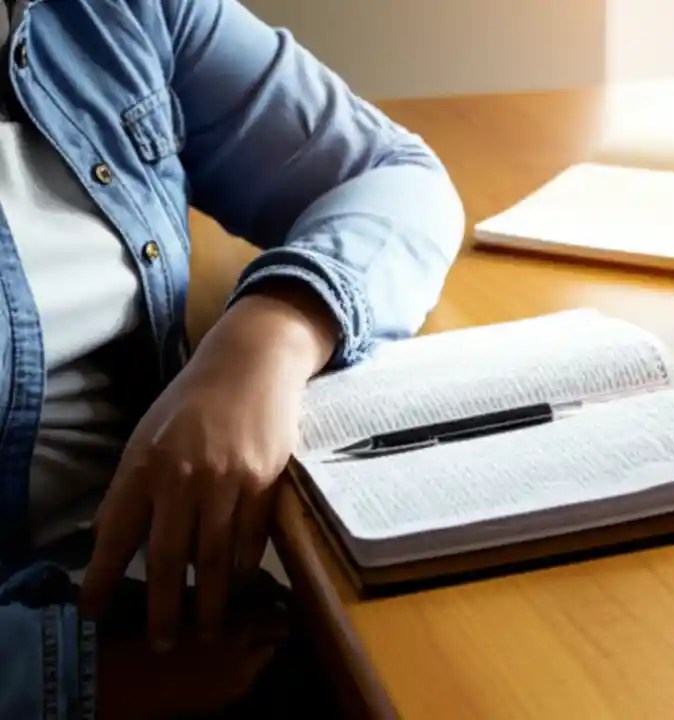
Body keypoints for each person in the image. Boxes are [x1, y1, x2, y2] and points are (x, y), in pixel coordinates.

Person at [0, 0, 464, 716]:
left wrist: (270, 336)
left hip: (184, 603)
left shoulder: (109, 14)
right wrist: (69, 680)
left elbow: (391, 173)